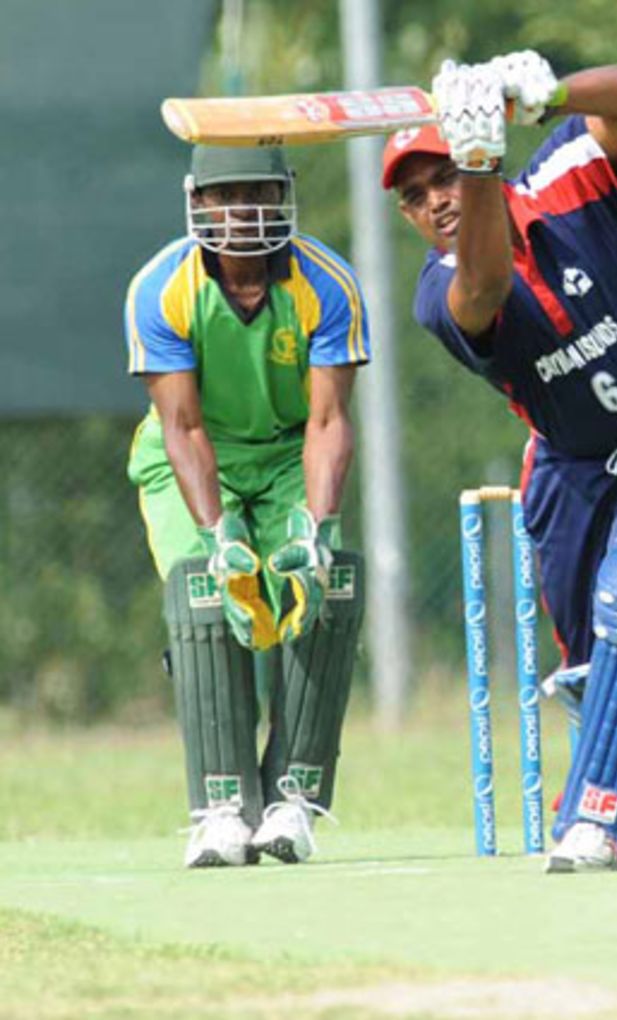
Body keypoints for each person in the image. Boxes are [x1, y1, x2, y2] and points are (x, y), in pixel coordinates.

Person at [382, 53, 617, 872]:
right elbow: (483, 286)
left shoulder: (567, 173)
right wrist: (478, 162)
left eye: (444, 174)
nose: (435, 200)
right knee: (593, 670)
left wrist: (549, 93)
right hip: (572, 467)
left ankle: (597, 814)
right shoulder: (438, 293)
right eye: (416, 194)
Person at [124, 145, 369, 868]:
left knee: (321, 587)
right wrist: (220, 536)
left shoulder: (328, 284)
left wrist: (317, 530)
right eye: (228, 196)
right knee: (206, 589)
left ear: (287, 195)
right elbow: (184, 427)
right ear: (198, 202)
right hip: (201, 459)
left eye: (261, 193)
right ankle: (223, 810)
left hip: (293, 450)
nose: (245, 212)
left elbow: (327, 424)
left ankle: (293, 798)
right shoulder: (161, 288)